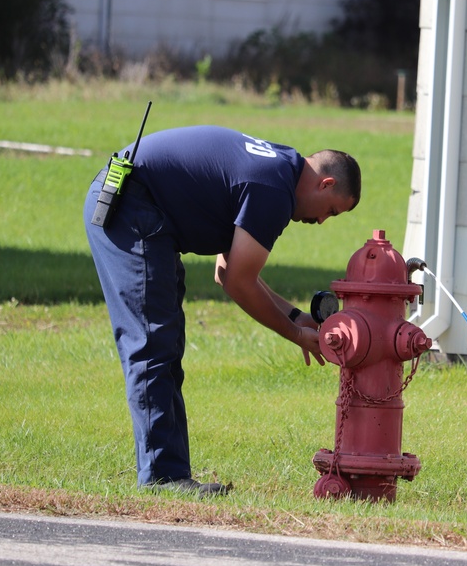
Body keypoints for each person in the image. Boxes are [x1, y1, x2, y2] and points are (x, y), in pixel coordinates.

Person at [83, 125, 361, 496]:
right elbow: (237, 283)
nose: (321, 221)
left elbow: (227, 270)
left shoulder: (281, 166)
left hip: (143, 205)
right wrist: (295, 334)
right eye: (330, 211)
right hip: (131, 205)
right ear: (325, 184)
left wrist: (297, 317)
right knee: (152, 344)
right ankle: (163, 480)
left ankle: (167, 472)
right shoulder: (273, 190)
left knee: (164, 345)